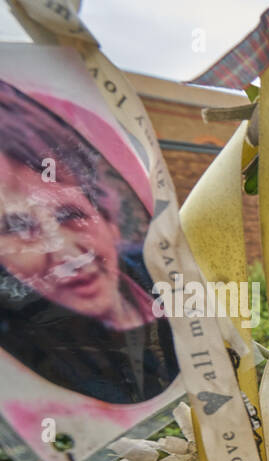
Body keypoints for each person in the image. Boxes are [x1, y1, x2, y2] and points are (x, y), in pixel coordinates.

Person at [0, 78, 177, 405]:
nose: (65, 252)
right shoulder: (26, 362)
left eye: (69, 214)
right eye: (19, 229)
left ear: (107, 218)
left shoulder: (170, 275)